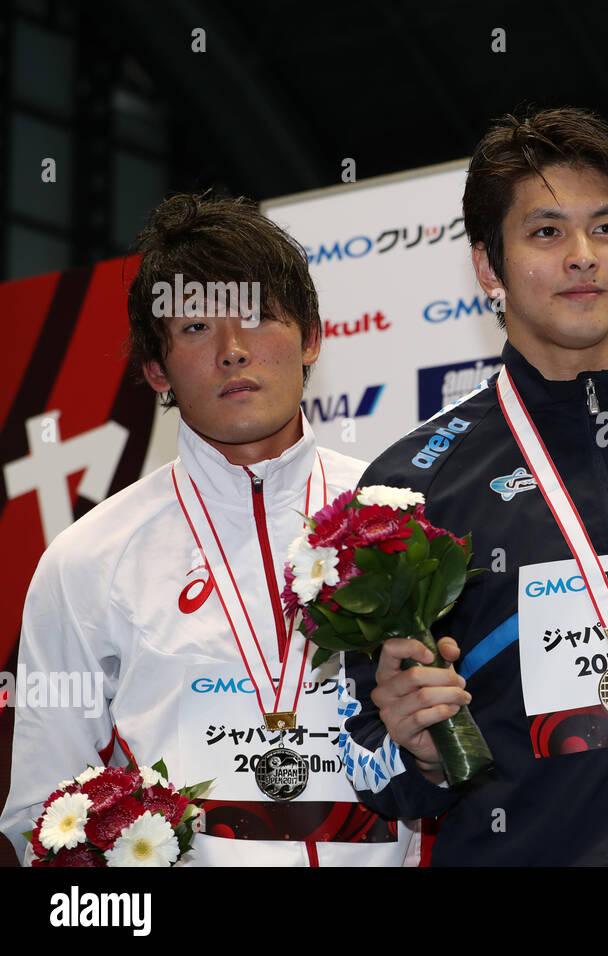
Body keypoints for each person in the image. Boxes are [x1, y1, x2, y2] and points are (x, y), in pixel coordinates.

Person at [337, 107, 608, 865]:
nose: (583, 256)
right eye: (546, 232)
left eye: (606, 229)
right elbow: (372, 769)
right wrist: (414, 747)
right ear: (489, 266)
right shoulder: (413, 487)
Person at [1, 193, 419, 865]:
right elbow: (43, 818)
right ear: (156, 368)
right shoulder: (86, 562)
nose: (232, 351)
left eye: (256, 317)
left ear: (312, 335)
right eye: (195, 327)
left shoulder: (401, 525)